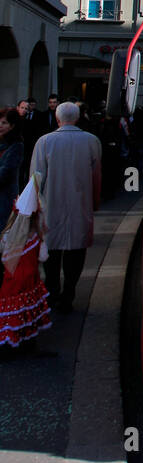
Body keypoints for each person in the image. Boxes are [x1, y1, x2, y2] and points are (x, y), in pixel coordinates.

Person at [30, 101, 101, 313]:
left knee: (51, 250)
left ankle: (52, 291)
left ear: (57, 118)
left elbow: (36, 178)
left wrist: (33, 207)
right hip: (81, 203)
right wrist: (95, 201)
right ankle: (69, 293)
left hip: (51, 204)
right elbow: (96, 176)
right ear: (77, 118)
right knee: (76, 249)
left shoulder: (44, 141)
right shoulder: (91, 141)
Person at [0, 172, 51, 353]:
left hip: (11, 284)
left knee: (12, 314)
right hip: (30, 282)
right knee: (30, 312)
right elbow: (43, 257)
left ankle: (9, 344)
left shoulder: (8, 236)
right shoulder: (36, 238)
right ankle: (28, 342)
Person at [0, 108, 24, 231]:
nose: (0, 125)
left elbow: (6, 172)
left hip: (5, 197)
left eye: (4, 123)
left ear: (12, 126)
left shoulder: (16, 145)